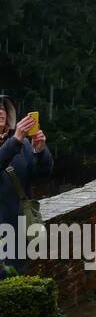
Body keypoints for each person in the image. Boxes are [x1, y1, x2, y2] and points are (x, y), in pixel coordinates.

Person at [0, 96, 53, 276]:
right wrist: (14, 141)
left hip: (17, 227)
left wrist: (40, 151)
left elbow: (41, 174)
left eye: (3, 108)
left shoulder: (21, 144)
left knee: (16, 274)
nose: (1, 112)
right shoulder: (16, 142)